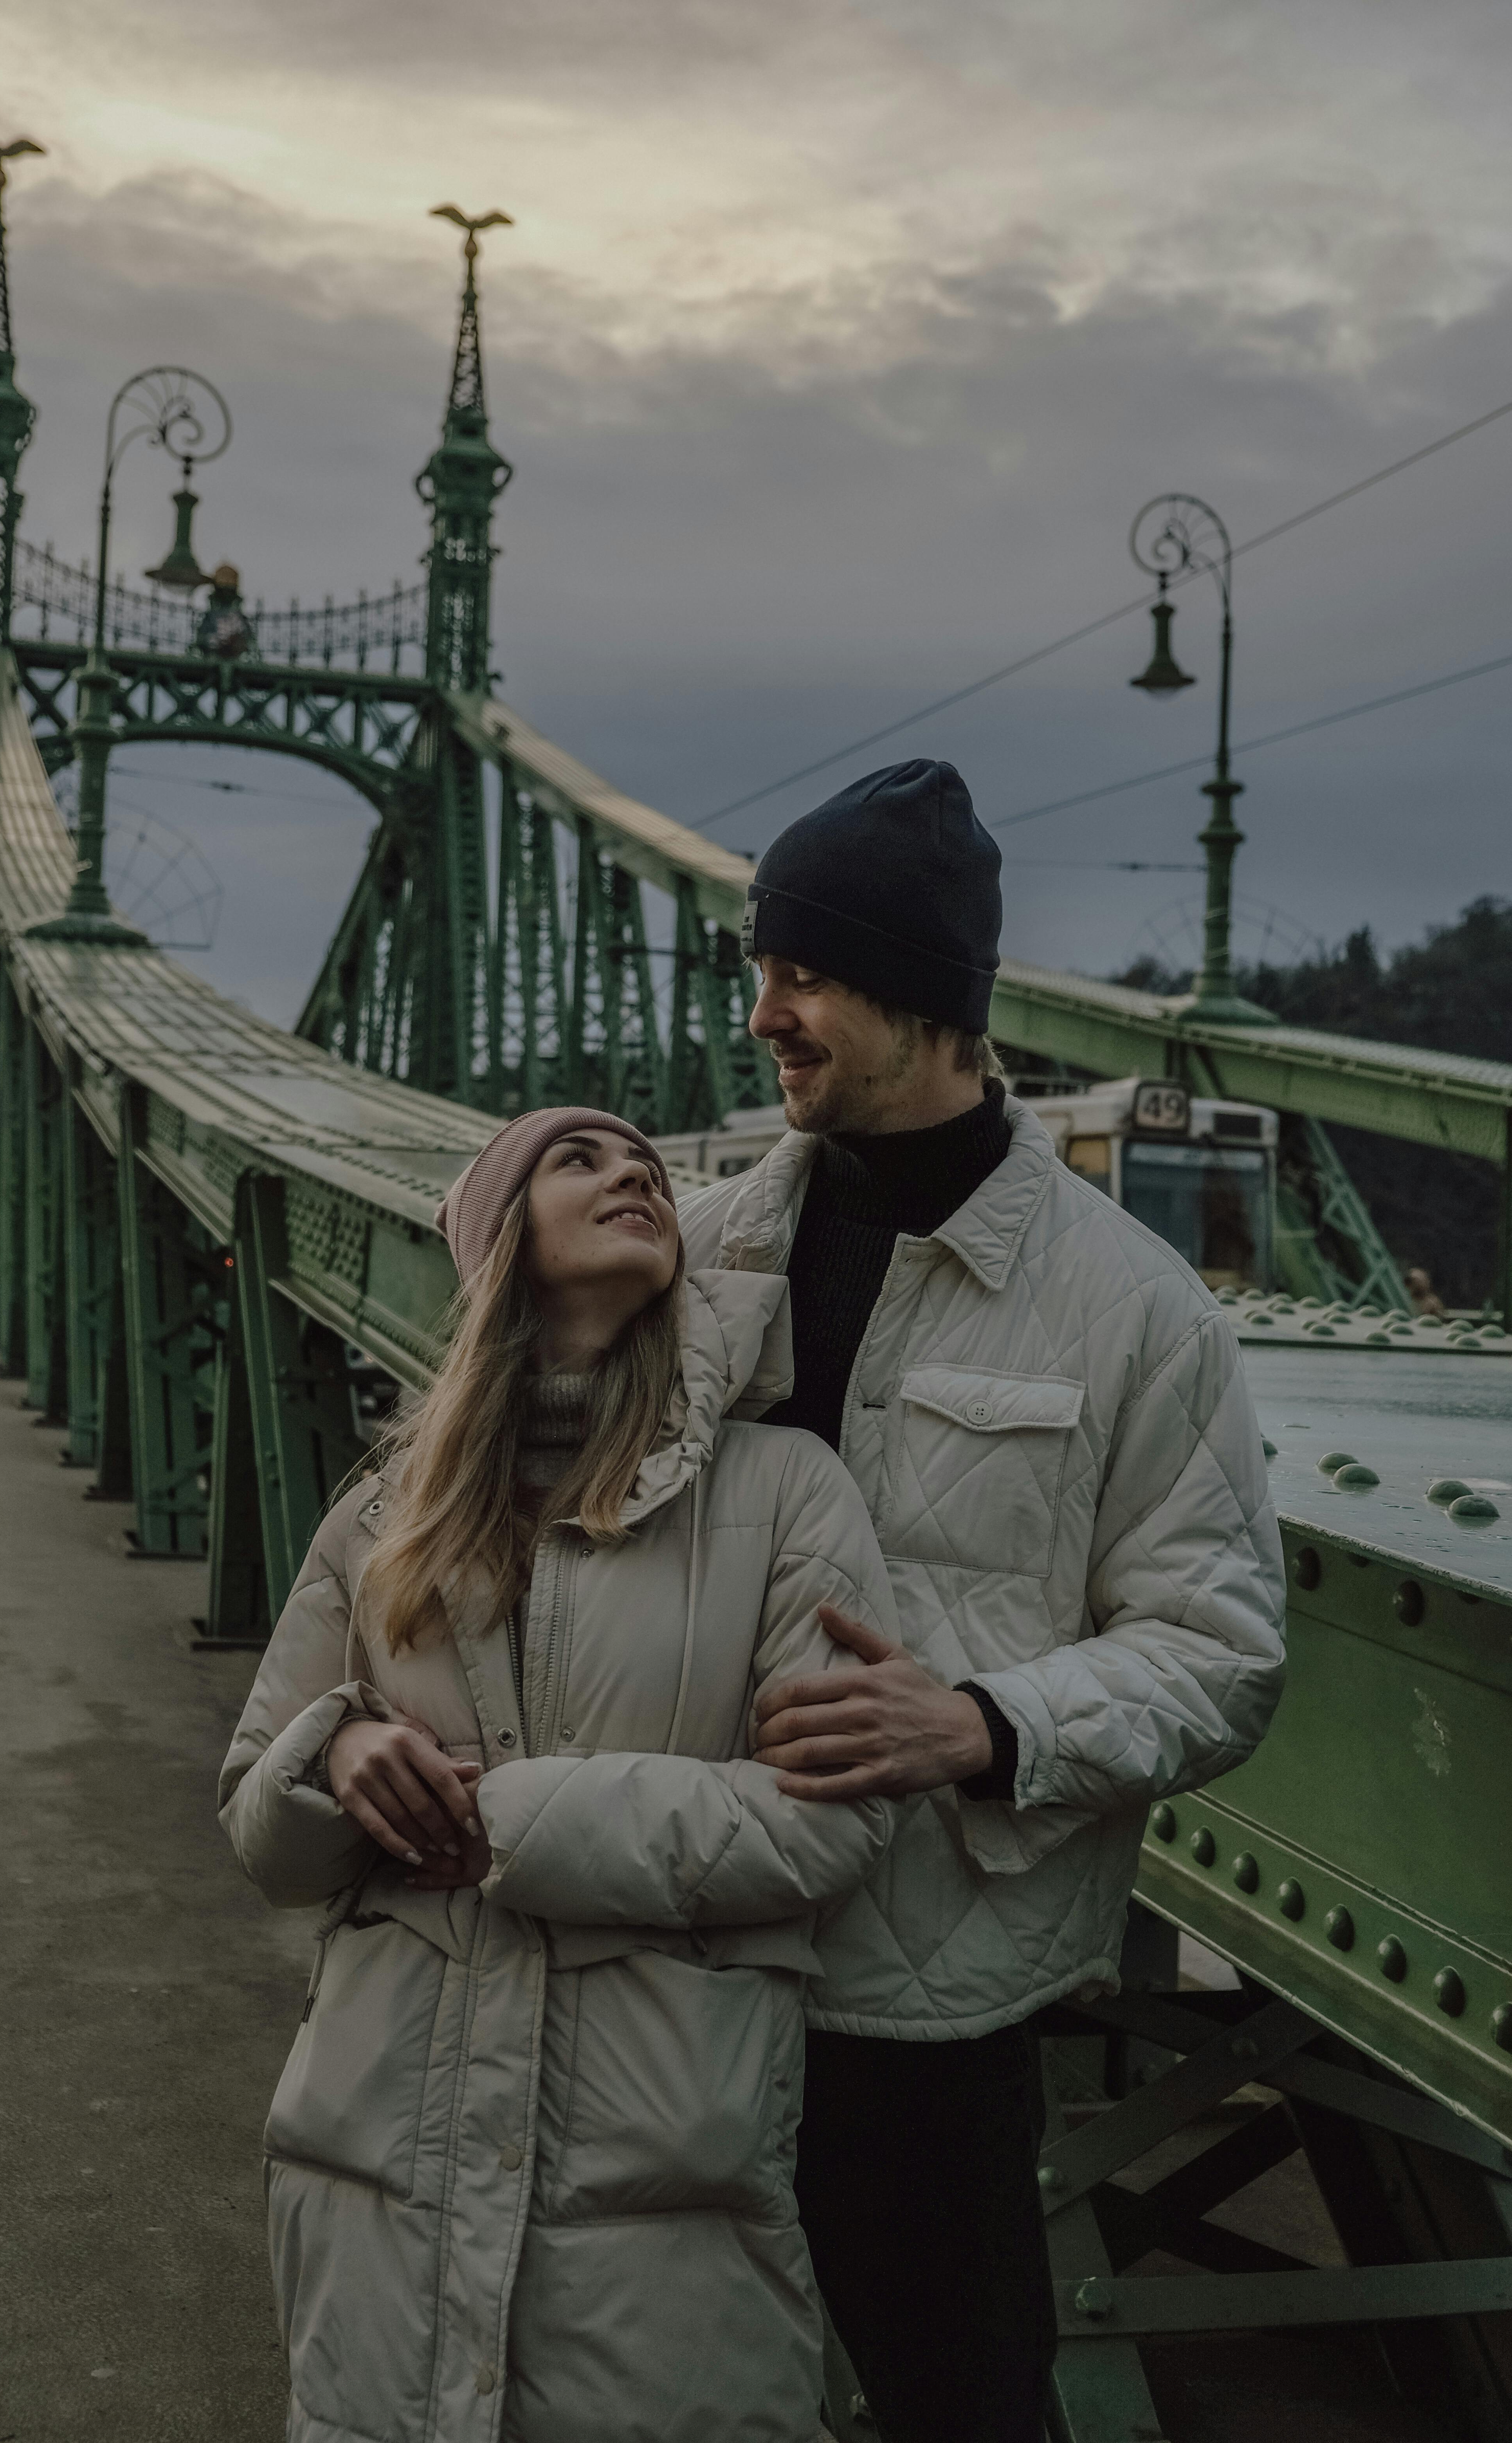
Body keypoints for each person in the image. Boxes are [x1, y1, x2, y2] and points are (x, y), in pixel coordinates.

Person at [677, 758, 1288, 2443]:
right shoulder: (696, 1257)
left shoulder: (1135, 1313)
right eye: (757, 968)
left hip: (919, 2003)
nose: (764, 1012)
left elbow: (1221, 1654)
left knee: (963, 2410)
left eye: (800, 971)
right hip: (674, 1942)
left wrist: (981, 1723)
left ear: (926, 996)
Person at [219, 1105, 903, 2443]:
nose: (633, 1173)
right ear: (497, 1240)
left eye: (645, 1162)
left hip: (654, 2174)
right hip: (386, 2158)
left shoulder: (787, 1493)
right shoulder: (382, 1517)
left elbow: (835, 1821)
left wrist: (525, 1817)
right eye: (576, 1160)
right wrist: (338, 1754)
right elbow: (257, 1823)